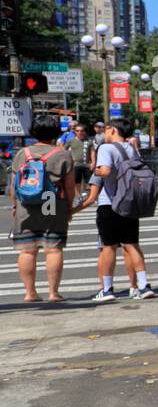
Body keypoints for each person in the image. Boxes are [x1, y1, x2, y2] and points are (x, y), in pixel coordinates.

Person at [73, 118, 156, 301]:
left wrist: (96, 170)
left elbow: (106, 171)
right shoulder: (131, 149)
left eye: (105, 129)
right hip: (129, 202)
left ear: (111, 130)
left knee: (108, 247)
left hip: (110, 203)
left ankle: (107, 289)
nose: (103, 132)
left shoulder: (105, 148)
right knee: (132, 245)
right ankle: (143, 286)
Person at [8, 113, 75, 303]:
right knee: (53, 248)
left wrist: (15, 205)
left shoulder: (22, 153)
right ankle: (53, 293)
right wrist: (69, 208)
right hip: (50, 200)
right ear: (55, 131)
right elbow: (69, 186)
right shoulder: (62, 154)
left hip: (26, 203)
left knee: (27, 249)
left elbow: (14, 184)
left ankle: (30, 293)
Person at [66, 124, 92, 199]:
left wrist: (93, 162)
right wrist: (70, 159)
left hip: (87, 165)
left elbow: (92, 153)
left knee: (89, 182)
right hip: (76, 165)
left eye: (81, 131)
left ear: (84, 132)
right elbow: (64, 150)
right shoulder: (71, 141)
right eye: (77, 131)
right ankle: (80, 196)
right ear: (75, 132)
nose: (80, 132)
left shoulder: (89, 141)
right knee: (77, 182)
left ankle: (89, 196)